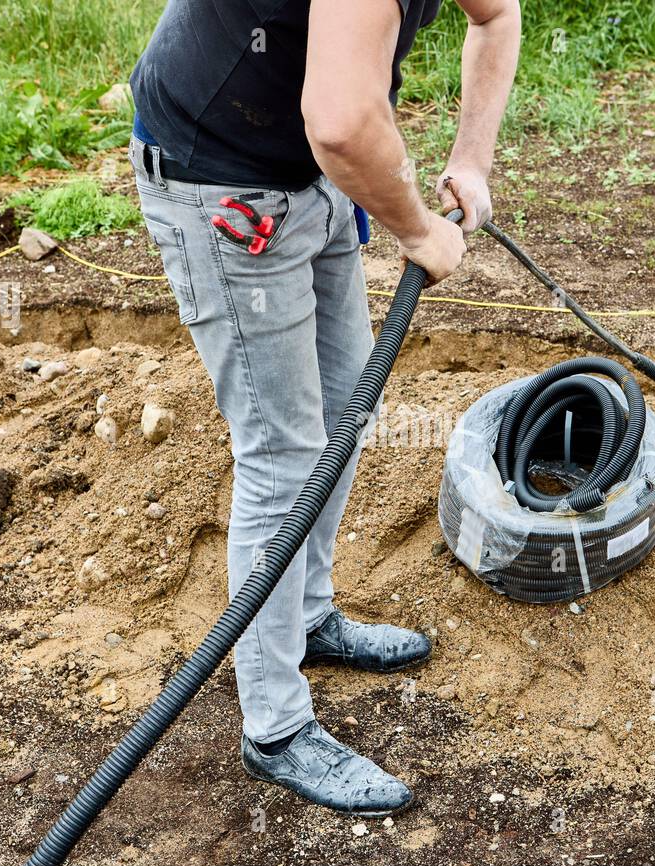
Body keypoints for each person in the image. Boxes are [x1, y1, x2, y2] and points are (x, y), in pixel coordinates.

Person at [128, 0, 520, 815]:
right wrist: (415, 227)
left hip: (310, 171)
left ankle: (304, 617)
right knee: (283, 456)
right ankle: (274, 728)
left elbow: (497, 16)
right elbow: (342, 122)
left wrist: (471, 161)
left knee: (345, 408)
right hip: (222, 180)